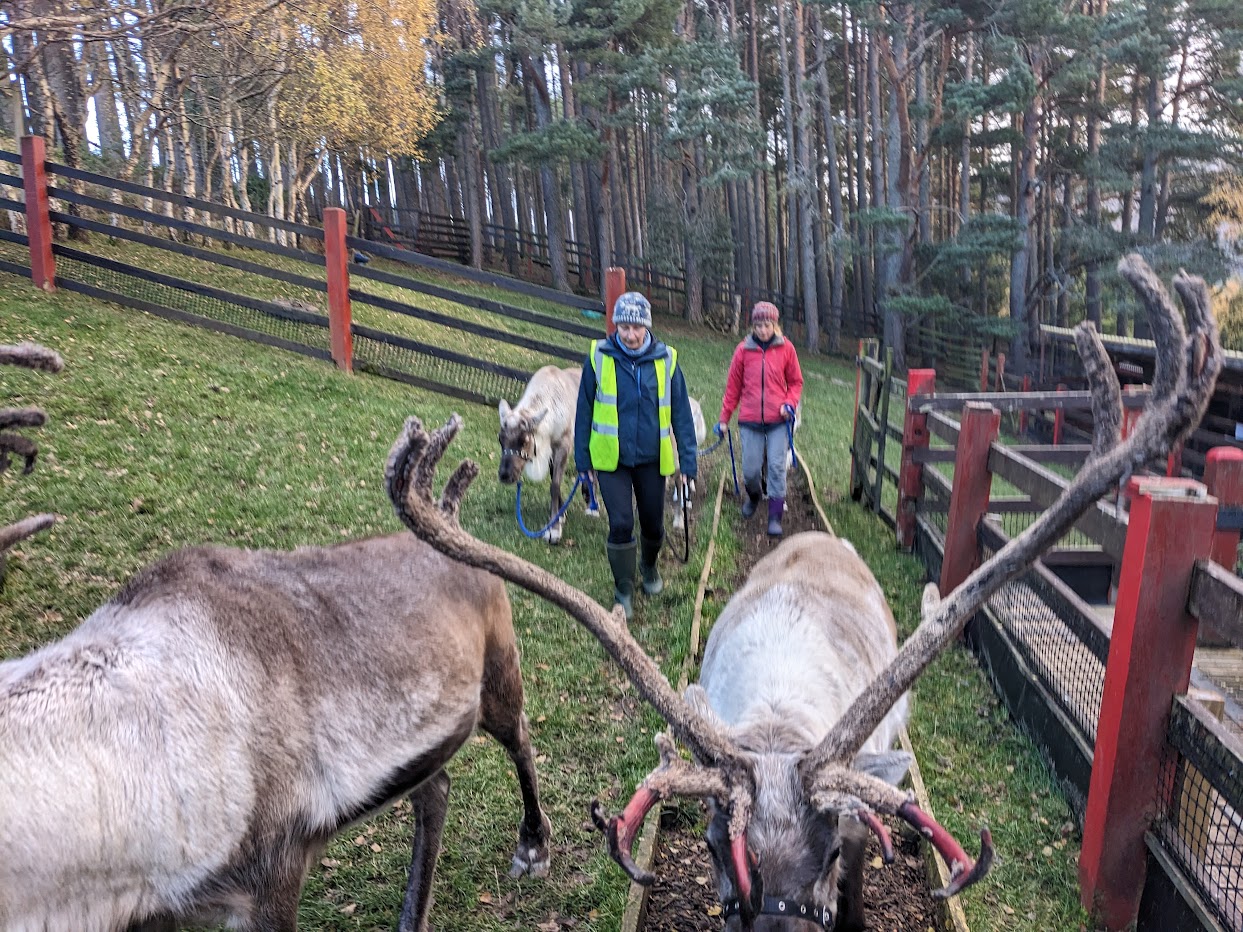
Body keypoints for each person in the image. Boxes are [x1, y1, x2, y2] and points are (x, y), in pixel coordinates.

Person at [575, 292, 699, 621]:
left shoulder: (667, 360)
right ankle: (623, 588)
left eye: (636, 328)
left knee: (653, 524)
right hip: (610, 459)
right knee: (620, 523)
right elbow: (584, 411)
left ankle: (649, 566)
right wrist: (582, 461)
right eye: (624, 327)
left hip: (651, 458)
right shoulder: (598, 356)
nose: (630, 335)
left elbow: (682, 416)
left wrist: (688, 463)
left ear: (647, 327)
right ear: (616, 325)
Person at [716, 301, 804, 537]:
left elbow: (796, 383)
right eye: (758, 325)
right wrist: (724, 418)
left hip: (778, 420)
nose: (762, 330)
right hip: (750, 420)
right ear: (752, 326)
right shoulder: (743, 350)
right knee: (751, 470)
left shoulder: (787, 349)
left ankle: (775, 516)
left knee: (776, 467)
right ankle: (754, 497)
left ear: (775, 325)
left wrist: (790, 403)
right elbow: (733, 388)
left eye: (767, 325)